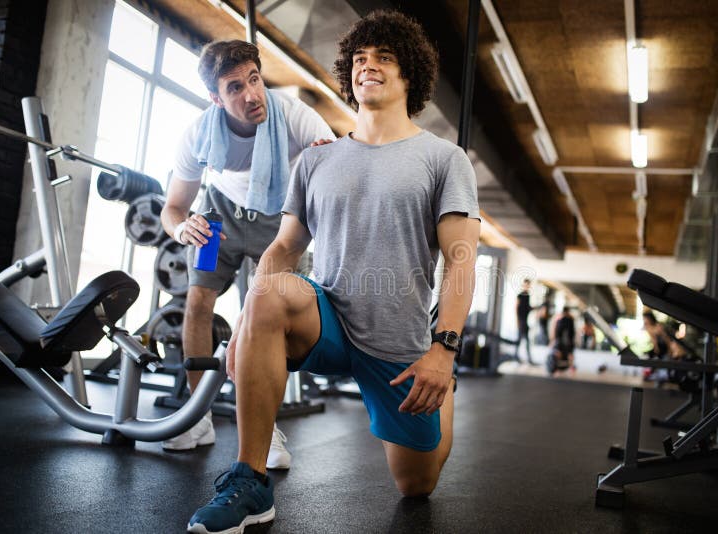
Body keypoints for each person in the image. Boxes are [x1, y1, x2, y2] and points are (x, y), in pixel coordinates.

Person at [186, 11, 480, 533]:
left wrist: (443, 350)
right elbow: (284, 247)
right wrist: (249, 321)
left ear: (410, 73)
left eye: (384, 57)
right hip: (329, 320)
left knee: (417, 485)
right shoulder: (317, 161)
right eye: (360, 59)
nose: (369, 66)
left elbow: (461, 261)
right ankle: (250, 482)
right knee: (267, 293)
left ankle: (444, 395)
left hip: (400, 345)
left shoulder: (443, 158)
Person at [160, 39, 334, 467]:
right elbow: (173, 208)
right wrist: (182, 228)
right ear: (216, 98)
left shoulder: (291, 114)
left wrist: (326, 161)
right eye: (235, 88)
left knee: (263, 317)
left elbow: (336, 167)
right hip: (219, 214)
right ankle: (197, 417)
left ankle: (264, 429)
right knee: (197, 303)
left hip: (280, 218)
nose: (252, 94)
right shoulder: (198, 134)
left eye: (254, 79)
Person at [514, 278, 534, 363]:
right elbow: (516, 308)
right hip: (521, 320)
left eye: (528, 285)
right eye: (526, 285)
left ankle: (526, 358)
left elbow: (527, 308)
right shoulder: (520, 295)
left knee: (525, 340)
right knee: (521, 340)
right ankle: (517, 357)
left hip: (525, 321)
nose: (527, 286)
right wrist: (517, 321)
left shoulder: (528, 295)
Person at [550, 306, 576, 371]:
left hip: (561, 342)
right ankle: (570, 367)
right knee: (569, 355)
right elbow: (572, 333)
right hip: (567, 342)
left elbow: (557, 332)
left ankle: (558, 367)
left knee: (564, 354)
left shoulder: (561, 320)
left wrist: (555, 341)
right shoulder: (570, 320)